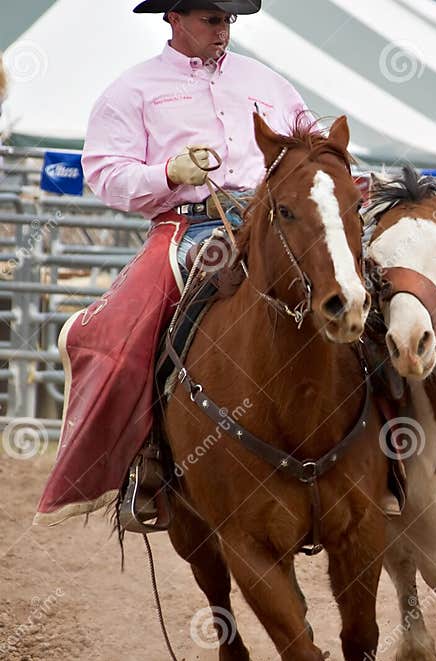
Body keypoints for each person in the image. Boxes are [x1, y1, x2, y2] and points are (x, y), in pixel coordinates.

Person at [35, 0, 312, 527]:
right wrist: (167, 172)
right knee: (124, 328)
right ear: (174, 18)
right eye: (212, 19)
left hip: (276, 222)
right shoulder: (132, 90)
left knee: (361, 291)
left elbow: (309, 145)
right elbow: (105, 173)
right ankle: (143, 458)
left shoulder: (269, 83)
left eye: (228, 21)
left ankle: (390, 454)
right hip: (186, 225)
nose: (222, 31)